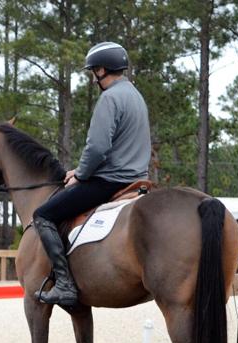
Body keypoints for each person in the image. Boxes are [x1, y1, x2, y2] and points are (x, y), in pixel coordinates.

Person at [31, 41, 151, 306]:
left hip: (110, 181)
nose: (93, 77)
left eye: (93, 71)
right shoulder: (135, 95)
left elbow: (97, 147)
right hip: (137, 178)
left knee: (43, 215)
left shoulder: (110, 98)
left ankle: (64, 284)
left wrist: (81, 174)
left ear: (100, 69)